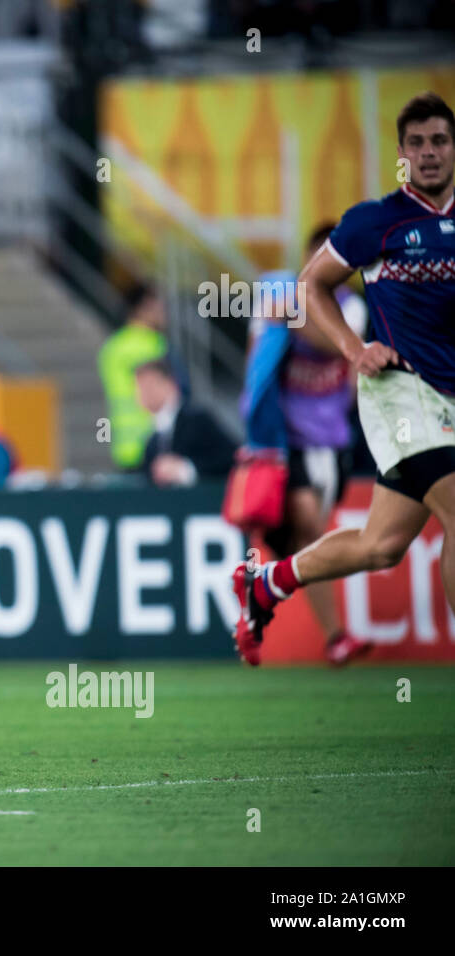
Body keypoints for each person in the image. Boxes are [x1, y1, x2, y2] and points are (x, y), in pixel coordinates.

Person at [233, 91, 455, 664]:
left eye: (439, 140)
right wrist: (355, 350)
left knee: (381, 546)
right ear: (401, 154)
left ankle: (269, 582)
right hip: (402, 395)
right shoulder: (374, 222)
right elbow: (309, 286)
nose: (428, 153)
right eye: (416, 143)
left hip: (448, 402)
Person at [236, 224, 370, 665]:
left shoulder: (351, 309)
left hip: (331, 440)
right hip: (284, 442)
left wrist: (291, 315)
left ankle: (261, 599)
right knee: (310, 527)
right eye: (321, 255)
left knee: (309, 546)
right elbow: (259, 355)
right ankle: (335, 636)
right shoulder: (275, 292)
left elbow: (338, 345)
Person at [97, 282, 169, 470]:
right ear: (144, 307)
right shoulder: (155, 345)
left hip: (123, 445)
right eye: (159, 306)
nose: (163, 313)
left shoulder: (111, 347)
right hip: (155, 443)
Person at [135, 358, 234, 486]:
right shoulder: (153, 439)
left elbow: (230, 457)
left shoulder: (197, 420)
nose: (143, 394)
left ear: (170, 384)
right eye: (140, 387)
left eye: (149, 386)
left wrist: (187, 468)